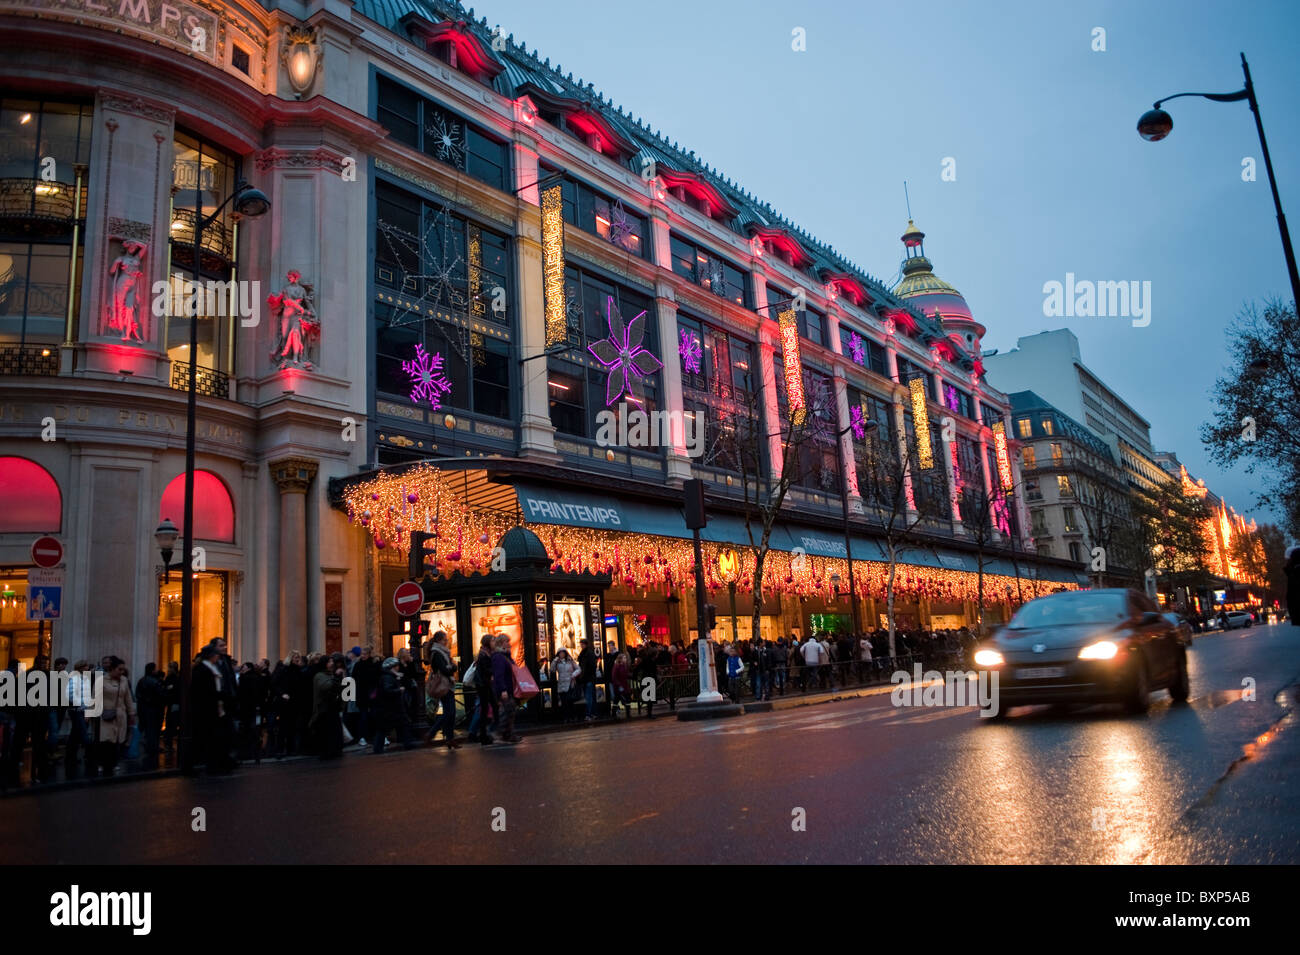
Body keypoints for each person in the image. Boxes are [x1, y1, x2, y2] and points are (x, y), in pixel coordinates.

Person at [190, 644, 235, 775]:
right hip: (207, 710)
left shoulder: (211, 668)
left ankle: (217, 764)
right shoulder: (202, 669)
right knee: (209, 739)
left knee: (216, 738)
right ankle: (210, 765)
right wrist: (221, 696)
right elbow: (206, 691)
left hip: (215, 709)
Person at [89, 657, 137, 778]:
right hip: (105, 715)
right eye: (119, 669)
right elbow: (95, 697)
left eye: (123, 669)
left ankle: (113, 763)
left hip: (120, 715)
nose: (122, 672)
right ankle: (103, 763)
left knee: (118, 740)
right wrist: (90, 714)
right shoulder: (101, 680)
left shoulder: (124, 681)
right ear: (112, 669)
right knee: (106, 740)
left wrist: (132, 714)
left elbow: (128, 698)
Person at [424, 631, 459, 748]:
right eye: (445, 640)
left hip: (446, 684)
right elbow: (444, 669)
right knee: (449, 712)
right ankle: (432, 733)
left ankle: (449, 738)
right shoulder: (437, 653)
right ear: (439, 640)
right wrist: (453, 667)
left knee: (451, 712)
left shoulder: (441, 652)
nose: (447, 642)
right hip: (443, 685)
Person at [372, 657, 414, 753]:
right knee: (399, 725)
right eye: (396, 666)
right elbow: (387, 691)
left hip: (389, 707)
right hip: (390, 707)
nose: (398, 667)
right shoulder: (388, 677)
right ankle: (407, 743)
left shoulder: (390, 676)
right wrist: (399, 690)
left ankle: (378, 748)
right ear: (392, 667)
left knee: (388, 727)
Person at [310, 655, 345, 759]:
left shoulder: (331, 675)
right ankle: (326, 752)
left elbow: (339, 687)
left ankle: (335, 751)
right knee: (326, 733)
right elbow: (326, 686)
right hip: (324, 710)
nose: (332, 663)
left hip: (333, 707)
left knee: (335, 731)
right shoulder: (319, 676)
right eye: (329, 661)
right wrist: (336, 678)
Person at [490, 633, 522, 743]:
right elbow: (498, 675)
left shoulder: (506, 656)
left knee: (510, 711)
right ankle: (500, 734)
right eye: (506, 642)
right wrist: (503, 690)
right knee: (506, 711)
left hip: (510, 688)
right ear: (501, 643)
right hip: (504, 689)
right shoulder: (498, 657)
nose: (509, 644)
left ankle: (508, 734)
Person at [134, 662, 165, 766]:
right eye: (155, 669)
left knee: (148, 729)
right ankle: (152, 748)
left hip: (144, 709)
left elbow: (137, 695)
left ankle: (149, 747)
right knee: (153, 730)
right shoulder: (155, 682)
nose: (157, 670)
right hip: (154, 709)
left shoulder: (141, 681)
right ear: (152, 670)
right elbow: (161, 695)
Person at [469, 635, 496, 745]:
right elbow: (487, 670)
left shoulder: (486, 653)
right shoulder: (484, 655)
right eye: (493, 641)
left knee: (485, 709)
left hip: (485, 685)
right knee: (485, 709)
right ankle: (483, 734)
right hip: (484, 686)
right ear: (487, 643)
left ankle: (482, 734)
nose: (494, 642)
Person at [550, 648, 579, 723]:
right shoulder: (557, 662)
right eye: (560, 653)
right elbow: (552, 670)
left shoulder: (570, 660)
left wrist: (574, 674)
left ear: (565, 653)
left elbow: (578, 669)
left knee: (569, 700)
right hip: (561, 684)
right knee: (564, 702)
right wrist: (555, 661)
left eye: (563, 653)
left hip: (570, 683)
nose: (561, 654)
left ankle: (573, 716)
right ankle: (566, 717)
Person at [161, 661, 181, 753]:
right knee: (172, 723)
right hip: (174, 702)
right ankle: (169, 743)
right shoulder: (175, 677)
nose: (169, 669)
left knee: (171, 723)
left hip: (174, 702)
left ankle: (169, 743)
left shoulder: (172, 677)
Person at [577, 638, 598, 721]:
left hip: (588, 679)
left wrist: (584, 675)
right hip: (588, 678)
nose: (581, 645)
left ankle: (589, 714)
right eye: (580, 644)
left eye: (582, 644)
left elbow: (591, 666)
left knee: (589, 697)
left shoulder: (587, 654)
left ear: (585, 644)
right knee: (591, 696)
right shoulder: (586, 653)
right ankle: (593, 713)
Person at [611, 652, 632, 718]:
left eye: (625, 658)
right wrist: (619, 685)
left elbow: (625, 675)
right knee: (617, 699)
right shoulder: (617, 666)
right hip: (619, 686)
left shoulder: (624, 666)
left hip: (624, 685)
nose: (625, 659)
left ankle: (627, 714)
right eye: (624, 658)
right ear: (620, 659)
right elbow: (614, 677)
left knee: (627, 698)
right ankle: (614, 713)